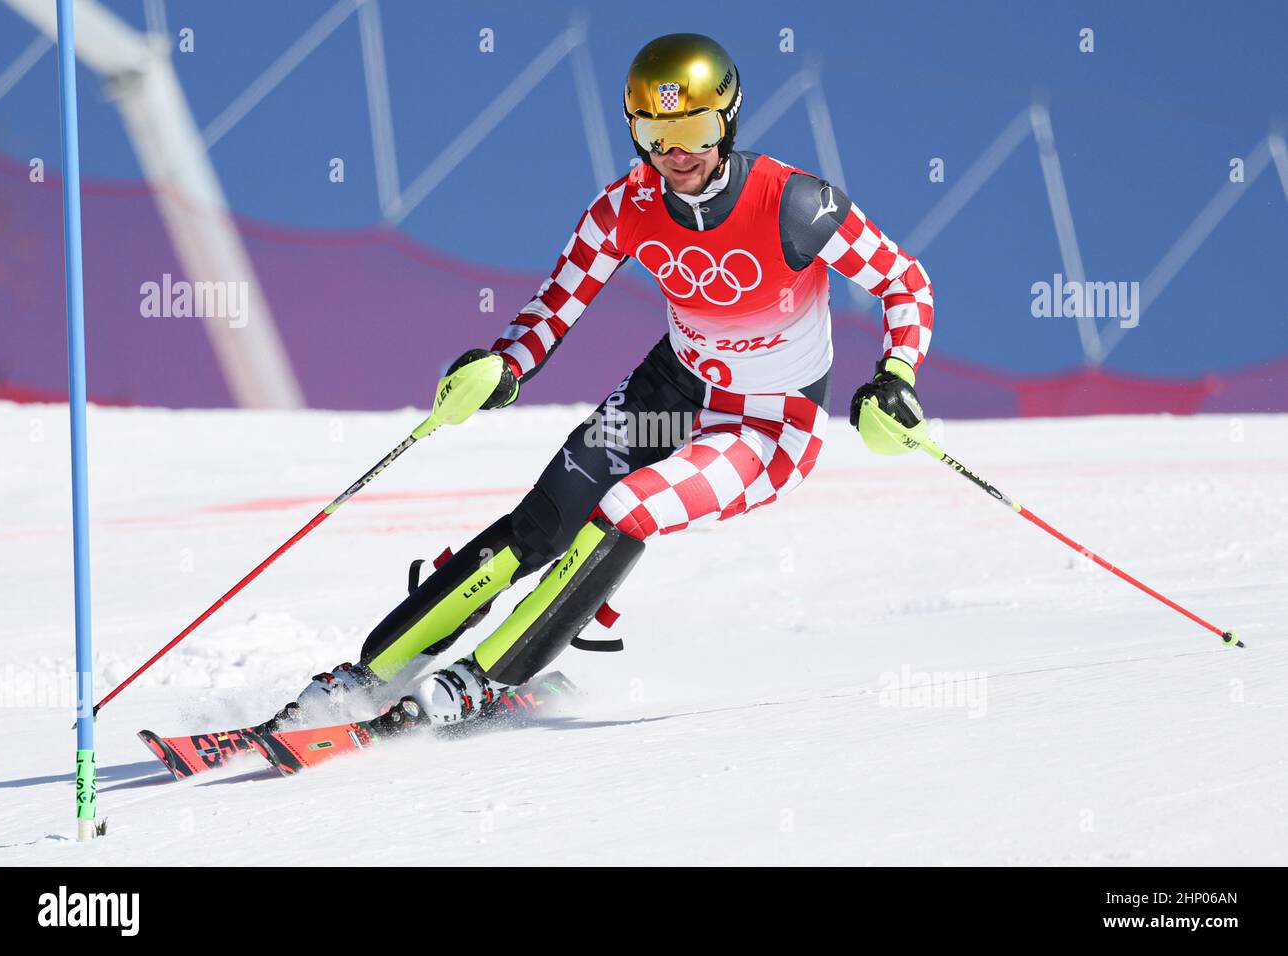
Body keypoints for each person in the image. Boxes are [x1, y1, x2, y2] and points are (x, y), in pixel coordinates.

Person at [288, 32, 935, 729]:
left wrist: (896, 375)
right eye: (655, 134)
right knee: (543, 520)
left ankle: (484, 678)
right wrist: (503, 368)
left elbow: (906, 284)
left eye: (692, 129)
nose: (674, 154)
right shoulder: (624, 208)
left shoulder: (795, 204)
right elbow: (554, 307)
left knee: (631, 506)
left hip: (769, 427)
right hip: (673, 390)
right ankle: (369, 671)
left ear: (728, 121)